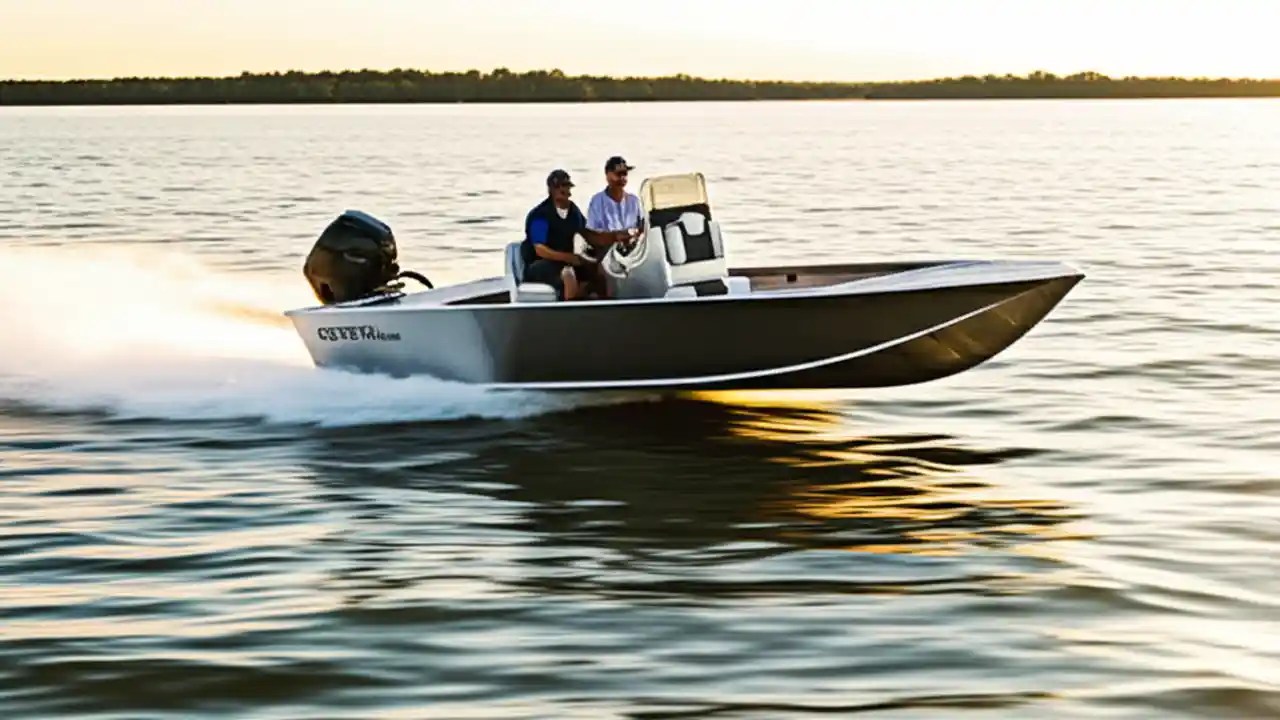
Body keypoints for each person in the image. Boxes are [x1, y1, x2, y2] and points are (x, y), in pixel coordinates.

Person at [521, 169, 629, 300]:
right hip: (540, 265)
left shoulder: (574, 212)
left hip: (567, 262)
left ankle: (603, 308)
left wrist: (613, 237)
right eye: (557, 187)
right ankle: (570, 313)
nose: (561, 190)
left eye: (564, 186)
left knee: (599, 273)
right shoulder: (540, 215)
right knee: (568, 274)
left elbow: (589, 234)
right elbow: (540, 250)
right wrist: (568, 257)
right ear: (550, 190)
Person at [586, 155, 644, 260]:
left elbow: (642, 227)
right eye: (618, 174)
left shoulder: (634, 201)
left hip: (633, 251)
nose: (622, 178)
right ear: (608, 176)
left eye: (625, 174)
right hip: (608, 253)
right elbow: (592, 235)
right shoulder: (597, 201)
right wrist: (615, 236)